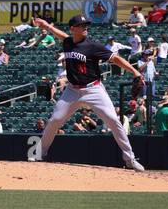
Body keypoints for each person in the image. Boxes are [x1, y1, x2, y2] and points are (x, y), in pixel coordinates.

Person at [32, 15, 145, 170]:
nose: (85, 27)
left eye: (86, 25)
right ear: (73, 29)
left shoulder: (93, 46)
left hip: (94, 89)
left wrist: (135, 72)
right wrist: (45, 25)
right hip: (72, 90)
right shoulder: (68, 42)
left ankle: (130, 159)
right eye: (81, 25)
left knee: (113, 120)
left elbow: (116, 59)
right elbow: (60, 34)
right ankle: (40, 154)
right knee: (54, 121)